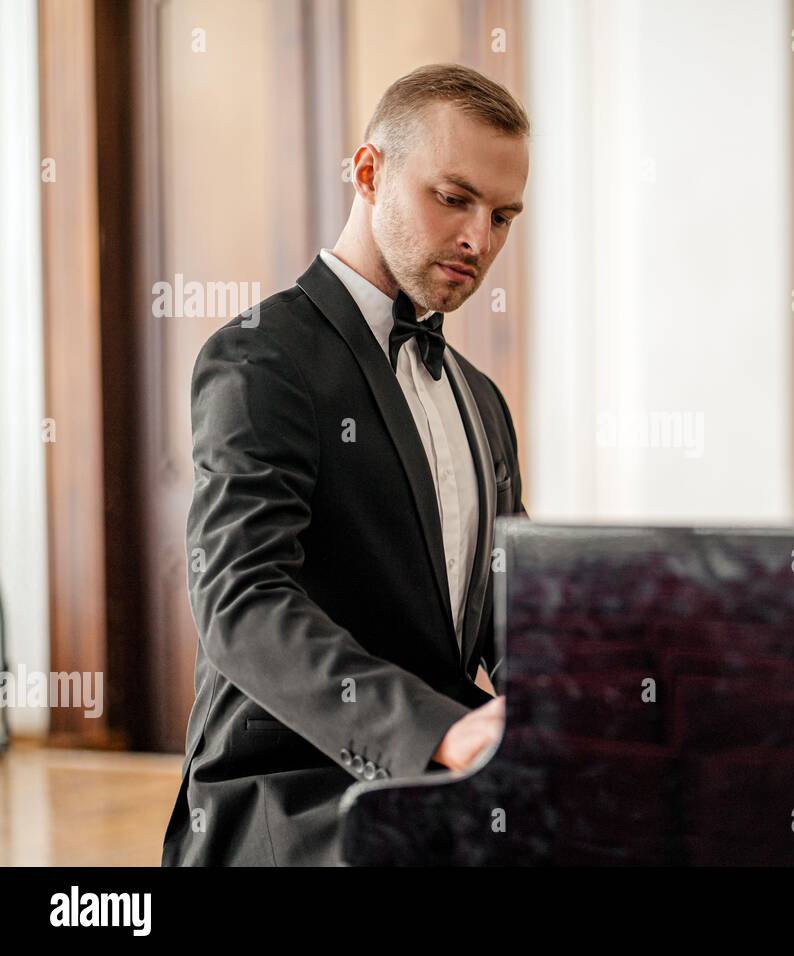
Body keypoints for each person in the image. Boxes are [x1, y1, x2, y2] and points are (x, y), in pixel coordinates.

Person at [162, 63, 530, 866]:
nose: (480, 239)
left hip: (438, 785)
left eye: (503, 215)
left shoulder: (480, 400)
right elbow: (241, 604)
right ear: (369, 173)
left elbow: (512, 607)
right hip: (288, 797)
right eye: (453, 197)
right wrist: (442, 734)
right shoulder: (262, 357)